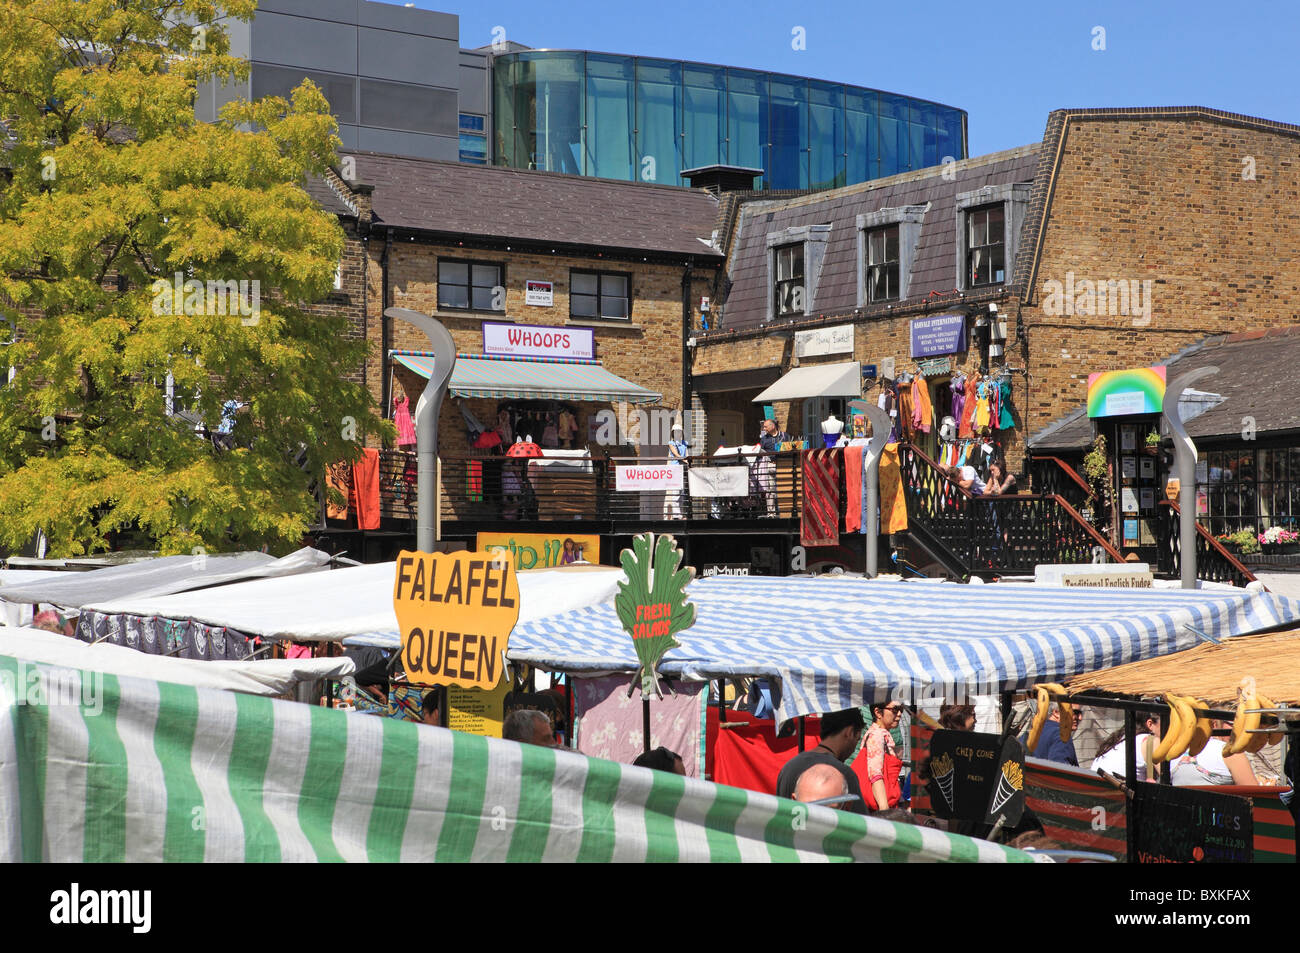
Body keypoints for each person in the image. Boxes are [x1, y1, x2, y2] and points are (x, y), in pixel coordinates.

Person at [775, 708, 868, 815]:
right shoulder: (843, 774)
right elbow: (860, 823)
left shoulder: (789, 767)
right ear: (850, 732)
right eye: (857, 739)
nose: (853, 749)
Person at [1169, 722, 1258, 786]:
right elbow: (1253, 795)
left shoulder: (1173, 752)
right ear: (1214, 724)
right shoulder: (1229, 753)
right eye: (1231, 723)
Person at [1091, 710, 1161, 781]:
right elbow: (1169, 777)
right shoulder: (1151, 741)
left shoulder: (1119, 738)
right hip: (1117, 789)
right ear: (1150, 724)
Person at [862, 700, 906, 810]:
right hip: (880, 808)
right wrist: (884, 811)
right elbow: (875, 775)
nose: (899, 714)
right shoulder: (877, 735)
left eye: (901, 709)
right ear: (878, 712)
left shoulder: (881, 733)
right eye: (895, 710)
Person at [757, 419, 790, 517]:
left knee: (784, 487)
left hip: (783, 465)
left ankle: (785, 511)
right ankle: (771, 513)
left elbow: (789, 449)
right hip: (770, 464)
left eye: (766, 426)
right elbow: (760, 453)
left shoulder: (785, 436)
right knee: (770, 489)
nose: (764, 428)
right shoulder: (764, 439)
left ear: (773, 426)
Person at [664, 424, 689, 519]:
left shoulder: (684, 443)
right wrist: (685, 460)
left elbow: (686, 453)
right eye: (676, 432)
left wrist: (687, 460)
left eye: (679, 432)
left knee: (681, 493)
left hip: (682, 469)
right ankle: (676, 515)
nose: (677, 433)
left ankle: (680, 514)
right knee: (675, 493)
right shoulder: (671, 443)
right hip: (675, 469)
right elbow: (676, 454)